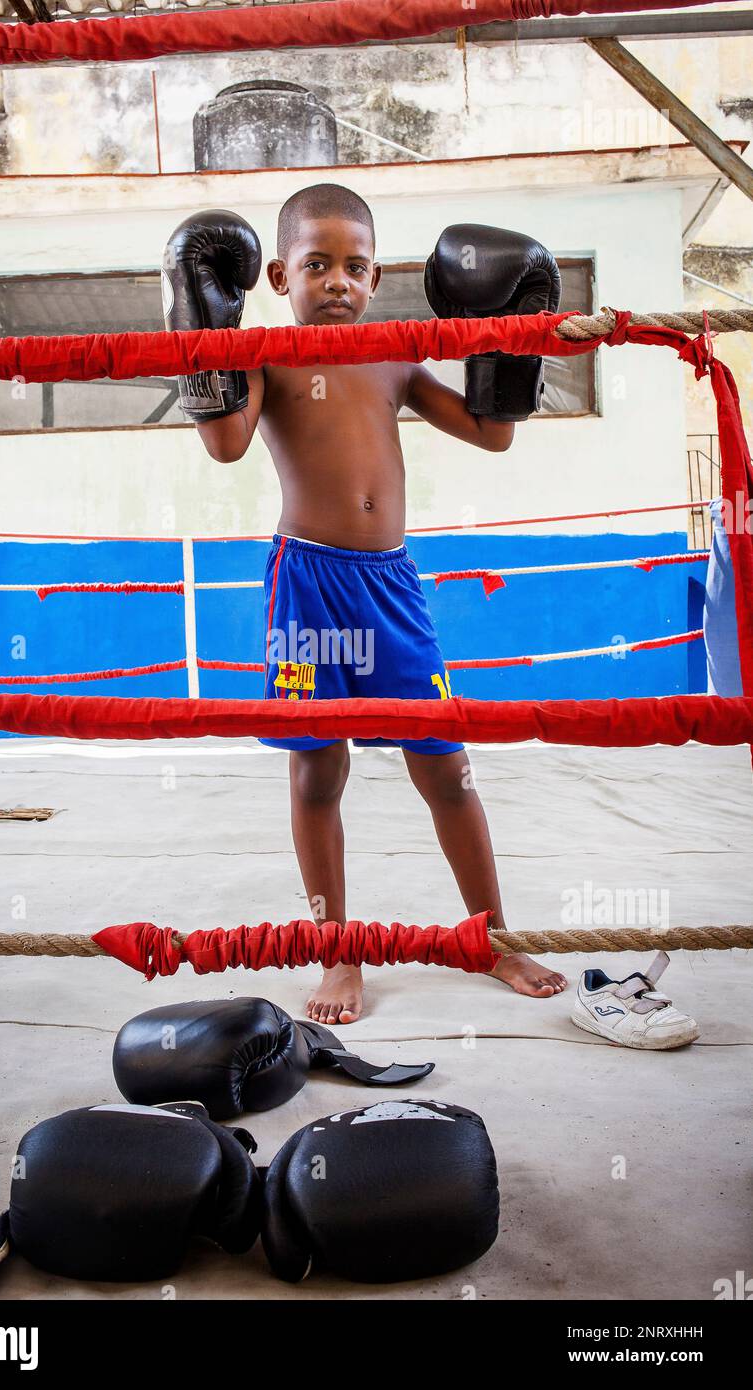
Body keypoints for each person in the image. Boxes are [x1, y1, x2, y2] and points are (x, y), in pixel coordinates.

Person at [162, 183, 567, 1024]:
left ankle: (490, 936)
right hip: (307, 588)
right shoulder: (265, 352)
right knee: (318, 773)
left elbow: (491, 433)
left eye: (354, 266)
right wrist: (204, 329)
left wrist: (502, 337)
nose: (337, 281)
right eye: (318, 265)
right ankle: (335, 952)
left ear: (376, 276)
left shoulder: (396, 353)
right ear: (278, 275)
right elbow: (227, 446)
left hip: (393, 588)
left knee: (447, 768)